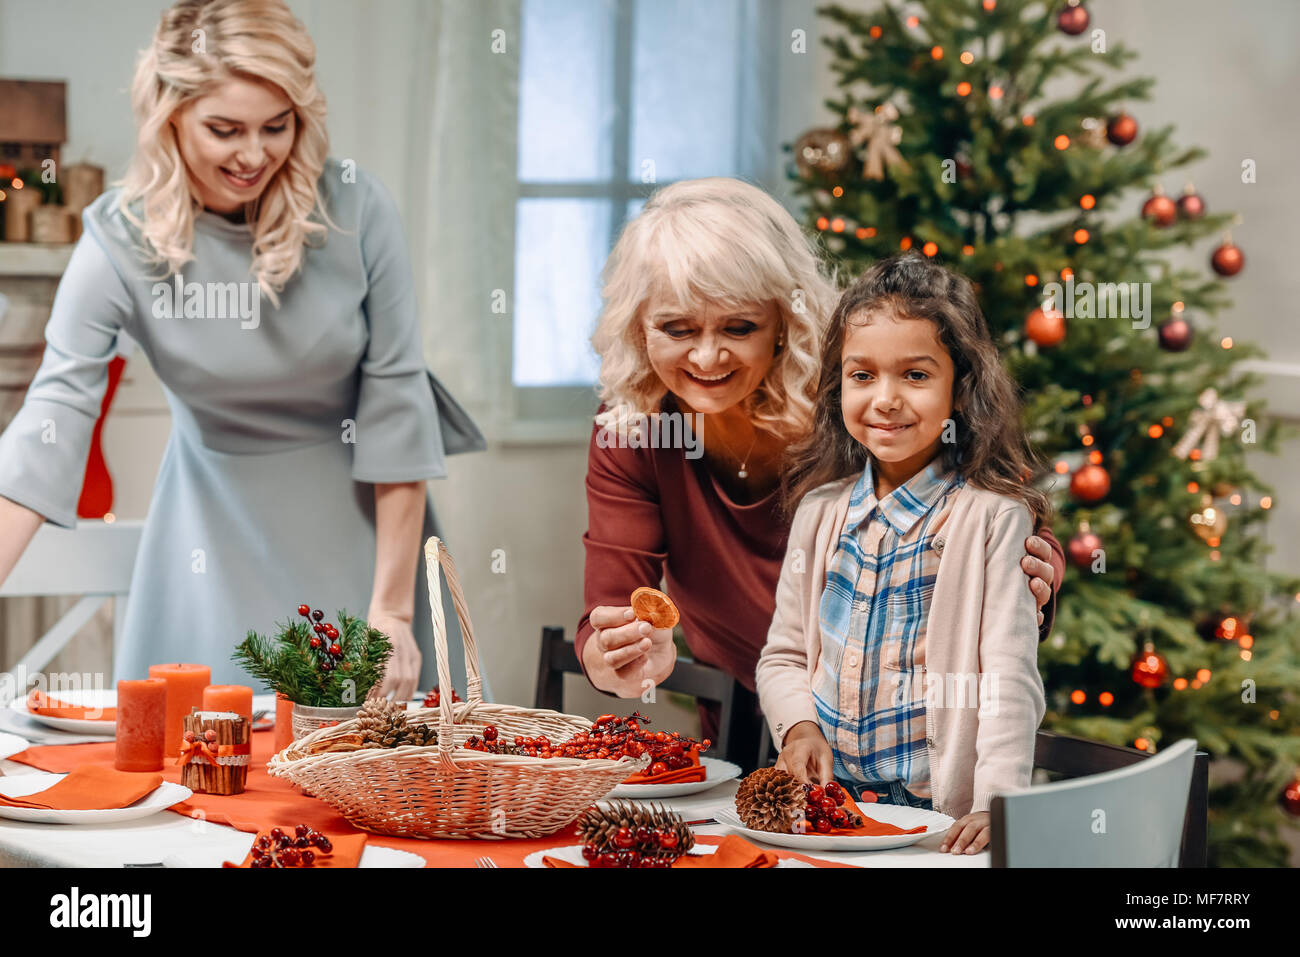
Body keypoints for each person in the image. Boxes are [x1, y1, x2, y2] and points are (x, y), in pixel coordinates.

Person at [0, 0, 483, 700]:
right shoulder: (119, 238)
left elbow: (398, 403)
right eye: (224, 129)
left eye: (275, 126)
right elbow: (50, 420)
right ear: (169, 115)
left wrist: (393, 610)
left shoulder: (357, 210)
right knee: (194, 786)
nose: (254, 154)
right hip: (204, 547)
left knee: (380, 792)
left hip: (366, 543)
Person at [577, 178, 1064, 765]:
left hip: (896, 729)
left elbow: (978, 492)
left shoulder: (854, 400)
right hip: (749, 708)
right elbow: (610, 609)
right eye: (676, 329)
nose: (706, 358)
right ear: (637, 325)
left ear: (784, 320)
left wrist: (1037, 566)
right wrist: (615, 657)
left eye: (738, 328)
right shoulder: (632, 429)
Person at [757, 252, 1052, 855]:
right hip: (828, 807)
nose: (886, 399)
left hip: (936, 823)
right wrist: (799, 728)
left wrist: (998, 803)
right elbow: (783, 653)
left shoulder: (993, 520)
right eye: (863, 375)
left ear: (961, 390)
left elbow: (1007, 679)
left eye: (915, 376)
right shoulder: (819, 513)